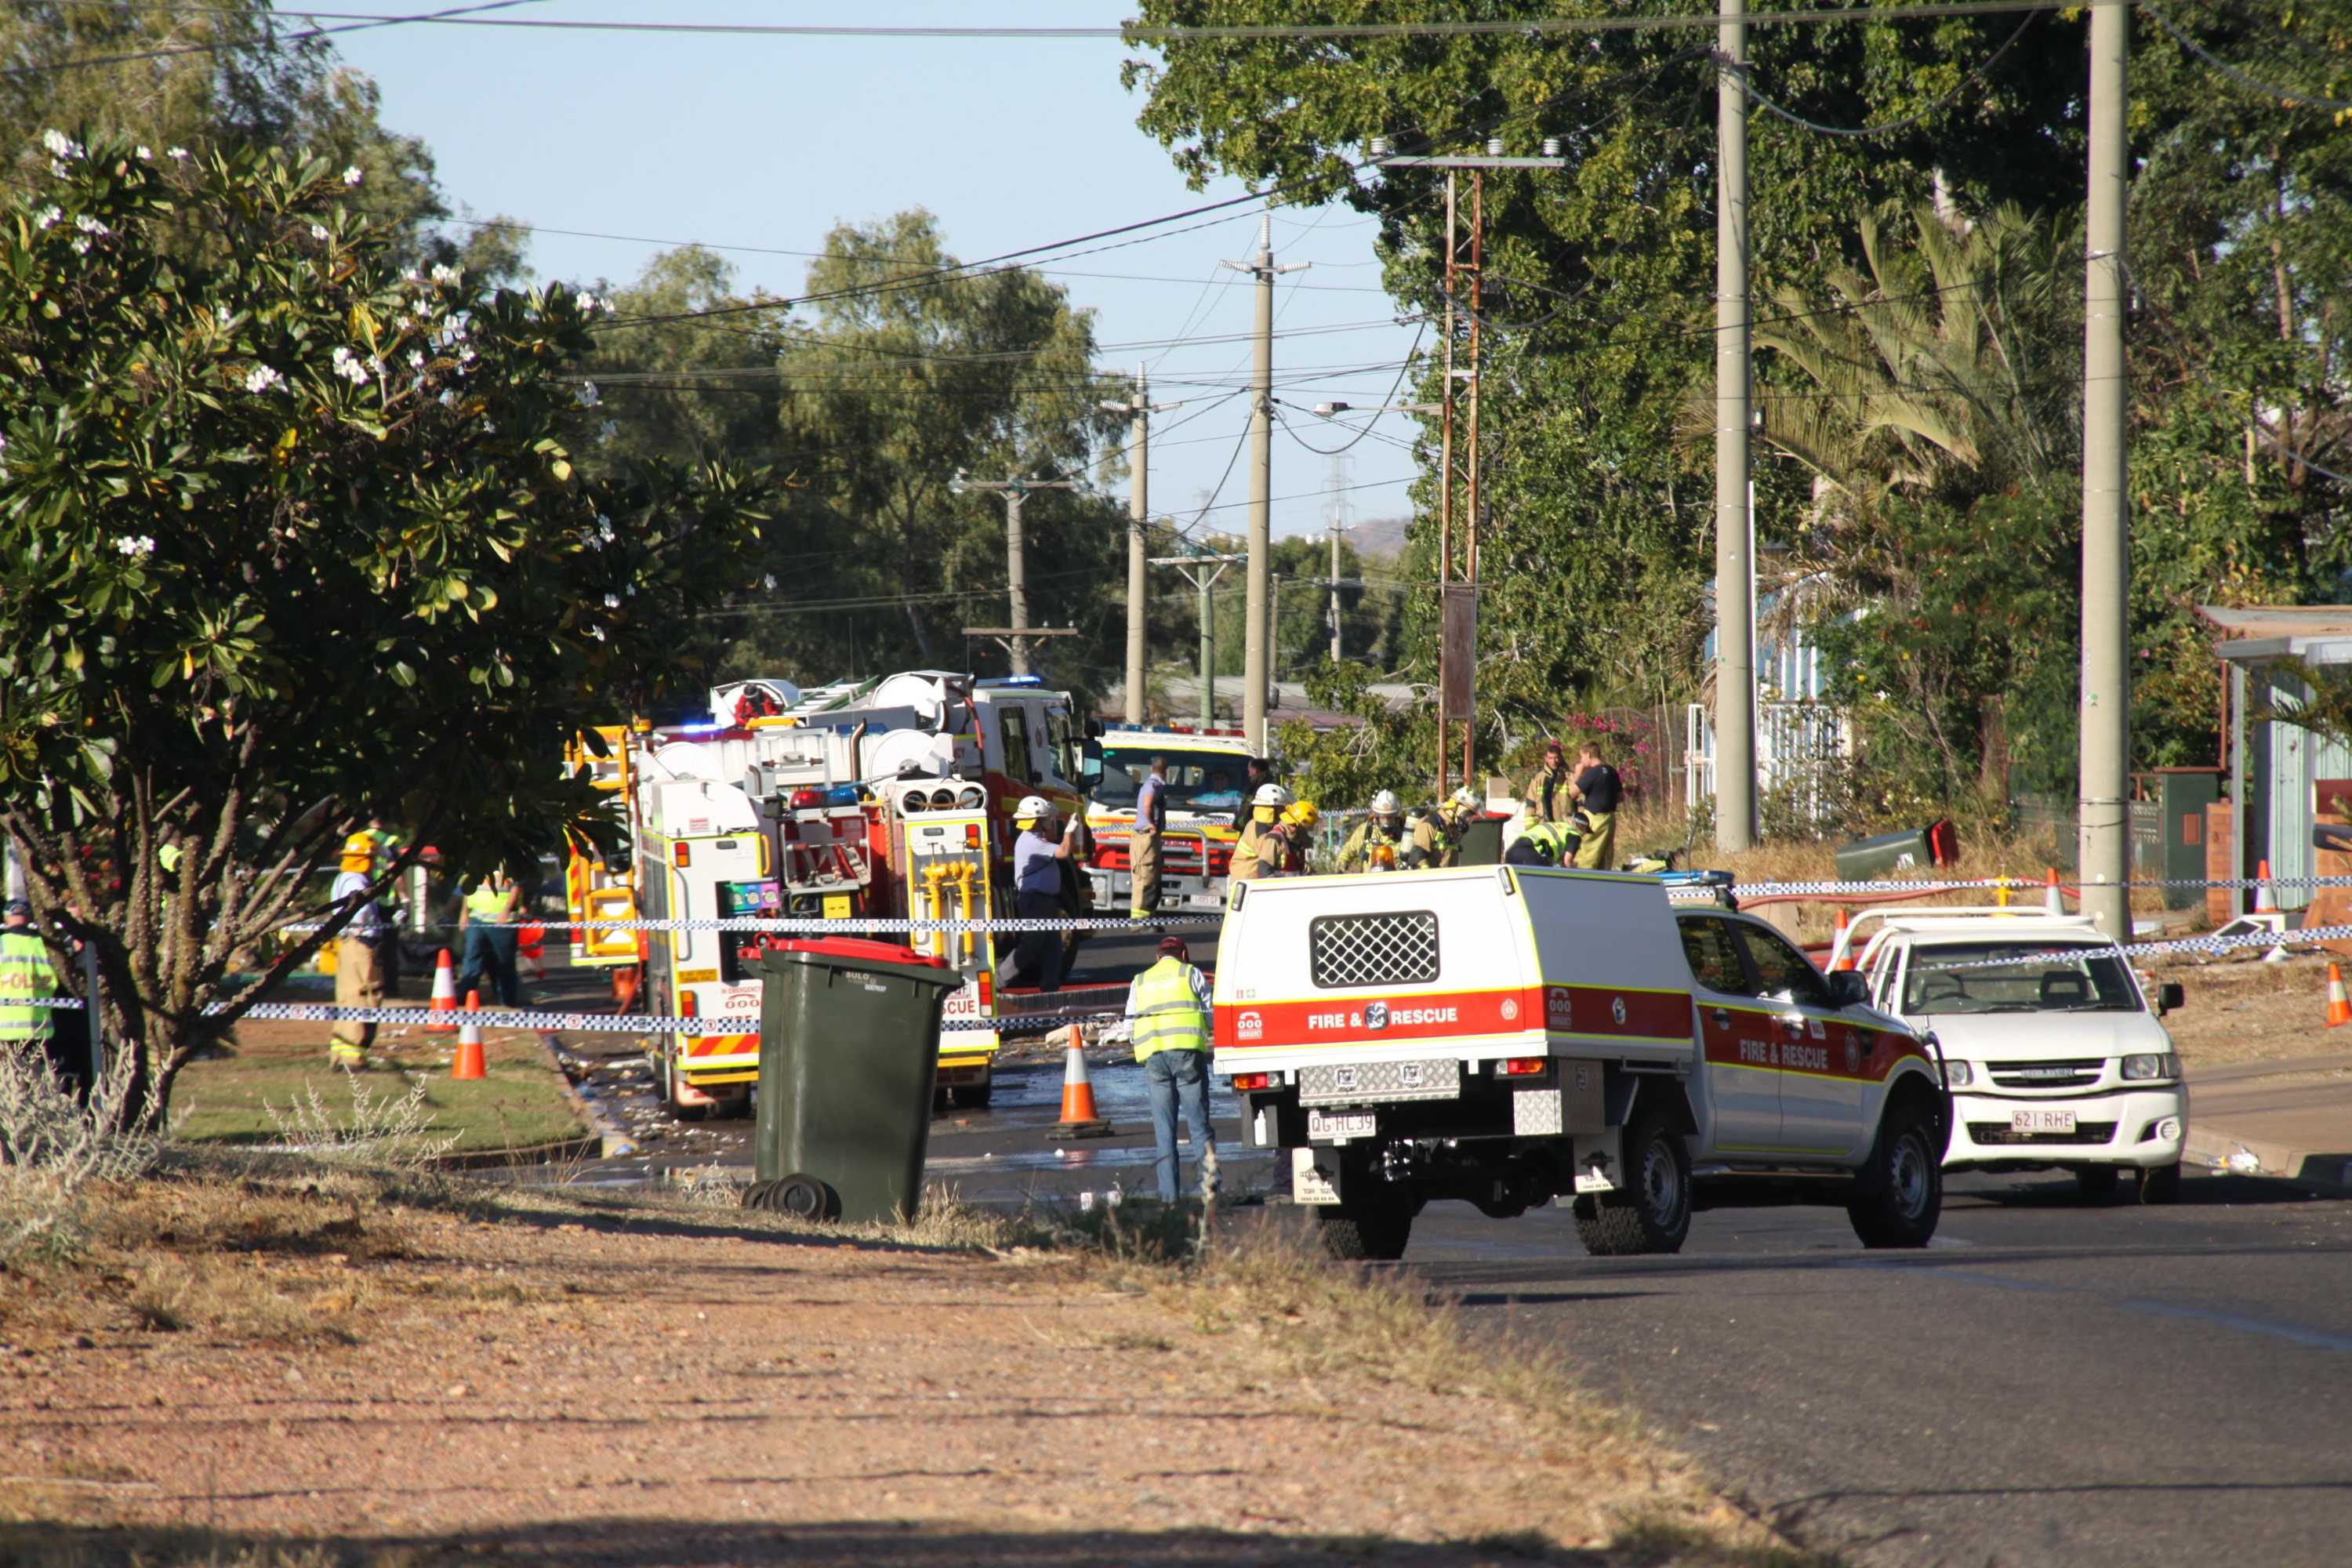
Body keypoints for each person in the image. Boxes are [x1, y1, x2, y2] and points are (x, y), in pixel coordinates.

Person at [1125, 934, 1214, 1203]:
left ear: (1157, 958)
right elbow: (1211, 1015)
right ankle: (1209, 1189)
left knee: (1164, 1132)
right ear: (1184, 955)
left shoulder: (1140, 980)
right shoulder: (1191, 974)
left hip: (1154, 1059)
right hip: (1187, 1055)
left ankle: (1169, 1198)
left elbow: (1129, 1025)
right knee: (1199, 1127)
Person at [994, 795, 1077, 994]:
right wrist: (1069, 831)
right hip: (1036, 900)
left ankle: (1050, 988)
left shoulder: (1033, 839)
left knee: (1052, 945)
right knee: (1032, 943)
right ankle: (997, 981)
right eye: (1046, 819)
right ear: (1037, 821)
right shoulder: (1032, 842)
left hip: (1042, 900)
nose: (1050, 821)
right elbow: (1064, 851)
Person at [328, 833, 391, 1067]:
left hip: (346, 944)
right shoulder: (358, 882)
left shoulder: (342, 878)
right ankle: (353, 1057)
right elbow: (360, 915)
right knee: (364, 997)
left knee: (346, 998)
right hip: (361, 945)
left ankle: (339, 1055)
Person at [456, 868, 524, 1008]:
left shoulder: (509, 862)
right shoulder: (475, 862)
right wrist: (464, 913)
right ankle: (465, 998)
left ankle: (507, 1001)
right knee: (472, 957)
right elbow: (468, 890)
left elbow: (516, 887)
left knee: (504, 961)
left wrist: (506, 910)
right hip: (477, 918)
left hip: (502, 921)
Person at [0, 897, 59, 1061]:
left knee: (8, 1081)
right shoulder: (44, 945)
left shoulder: (1, 944)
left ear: (5, 918)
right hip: (39, 1030)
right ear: (31, 918)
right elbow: (54, 981)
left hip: (4, 1032)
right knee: (38, 1080)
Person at [1570, 743, 1624, 869]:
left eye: (1582, 757)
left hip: (1594, 819)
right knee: (1605, 854)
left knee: (1588, 854)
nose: (1581, 761)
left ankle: (1583, 880)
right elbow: (1621, 797)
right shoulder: (1611, 771)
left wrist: (1577, 773)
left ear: (1588, 755)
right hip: (1610, 819)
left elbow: (1572, 793)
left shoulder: (1592, 773)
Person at [1128, 754, 1169, 919]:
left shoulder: (1152, 784)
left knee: (1151, 878)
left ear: (1152, 768)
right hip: (1146, 836)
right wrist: (1152, 825)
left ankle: (1147, 917)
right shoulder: (1154, 786)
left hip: (1147, 836)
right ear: (1166, 771)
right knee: (1146, 878)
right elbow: (1147, 804)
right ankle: (1140, 922)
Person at [1229, 782, 1288, 884]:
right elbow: (1266, 864)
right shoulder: (1263, 830)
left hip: (1244, 880)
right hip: (1248, 882)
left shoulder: (1257, 822)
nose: (1284, 810)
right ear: (1273, 808)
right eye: (1282, 807)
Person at [1336, 790, 1408, 872]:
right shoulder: (1366, 830)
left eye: (1390, 817)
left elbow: (1419, 853)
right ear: (1377, 816)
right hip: (1370, 882)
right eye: (1383, 817)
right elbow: (1349, 849)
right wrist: (1341, 864)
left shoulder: (1407, 831)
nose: (1386, 822)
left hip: (1399, 881)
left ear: (1396, 816)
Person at [1522, 738, 1574, 825]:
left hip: (1564, 825)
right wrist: (1529, 825)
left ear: (1561, 758)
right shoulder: (1538, 779)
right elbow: (1530, 803)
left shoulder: (1570, 777)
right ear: (1546, 758)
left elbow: (1580, 801)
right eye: (1550, 758)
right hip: (1542, 825)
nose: (1553, 761)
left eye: (1556, 758)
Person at [1503, 818, 1581, 869]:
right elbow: (1567, 861)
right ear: (1581, 826)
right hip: (1529, 855)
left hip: (1512, 852)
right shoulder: (1574, 834)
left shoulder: (1555, 825)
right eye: (1585, 831)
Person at [1232, 757, 1275, 834]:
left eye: (1249, 771)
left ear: (1255, 770)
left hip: (1255, 830)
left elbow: (1248, 811)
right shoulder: (1272, 785)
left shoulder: (1258, 789)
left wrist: (1237, 825)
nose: (1249, 775)